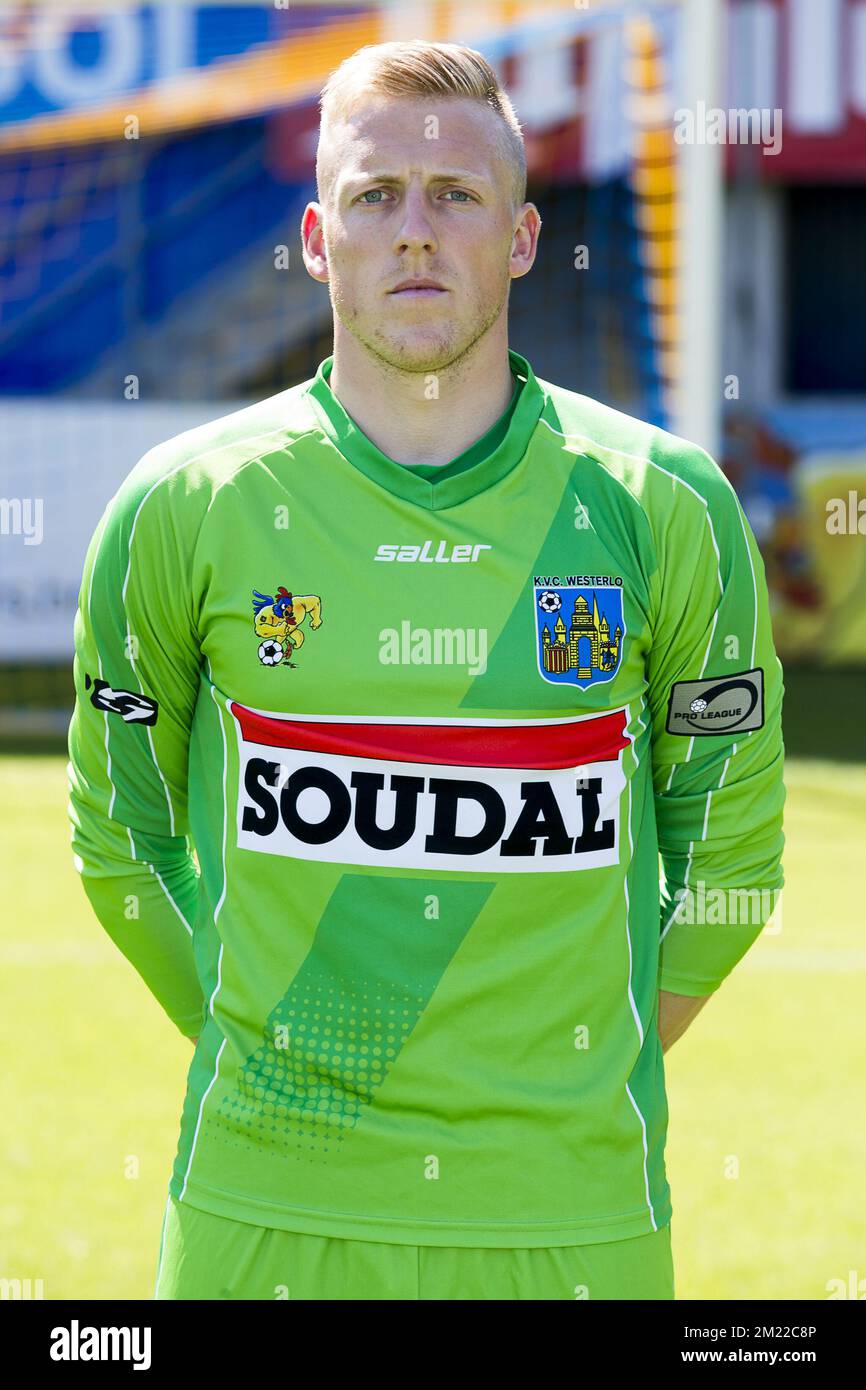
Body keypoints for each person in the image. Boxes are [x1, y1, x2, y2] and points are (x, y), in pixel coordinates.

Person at [67, 39, 785, 1301]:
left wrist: (571, 1074)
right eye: (373, 194)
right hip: (265, 1209)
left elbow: (730, 851)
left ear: (517, 236)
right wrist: (263, 1055)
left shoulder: (659, 504)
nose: (414, 231)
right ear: (313, 234)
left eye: (454, 195)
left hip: (569, 1217)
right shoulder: (187, 506)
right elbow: (118, 840)